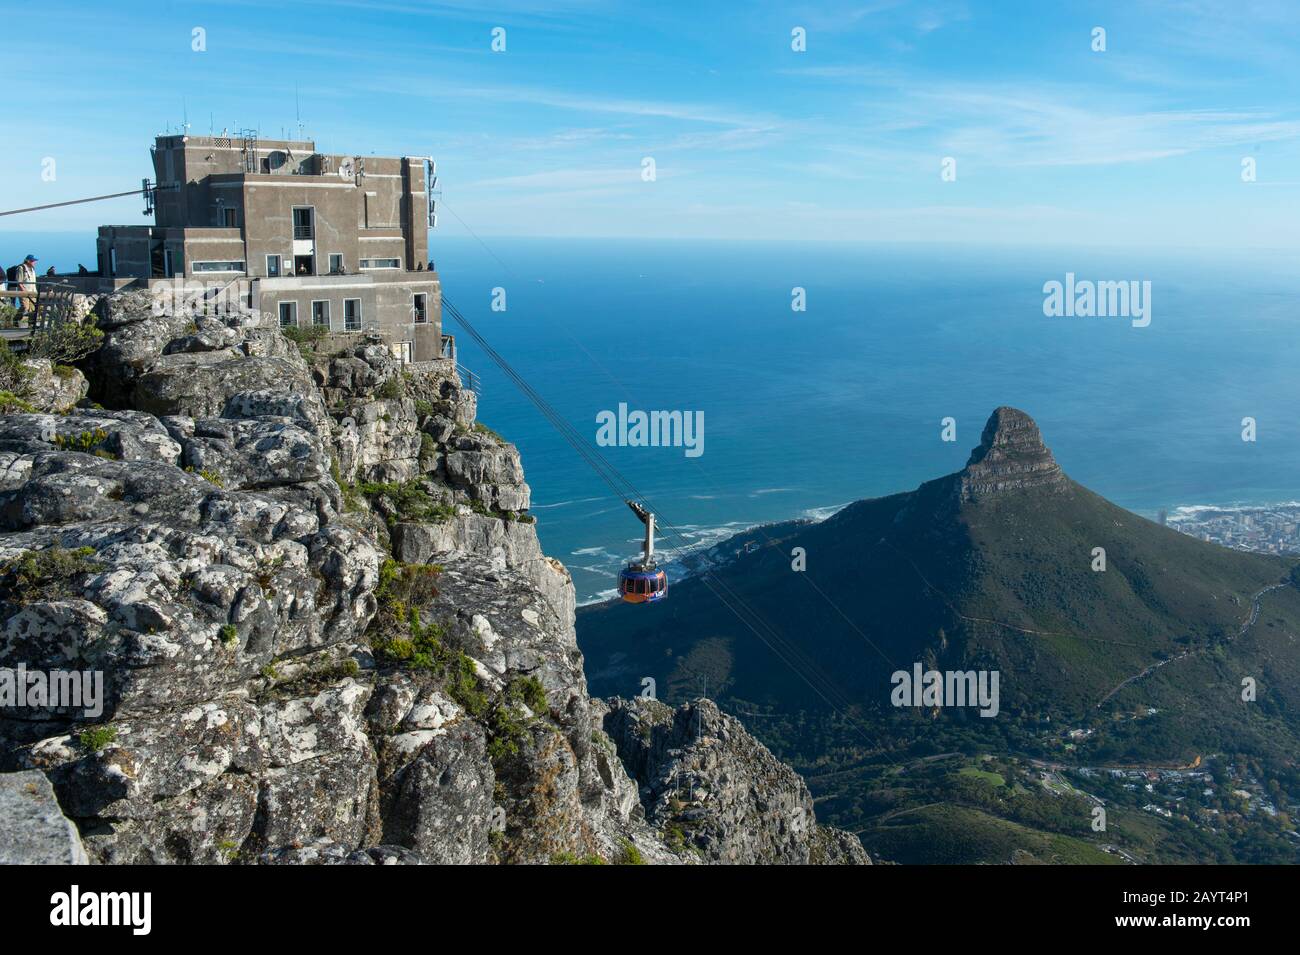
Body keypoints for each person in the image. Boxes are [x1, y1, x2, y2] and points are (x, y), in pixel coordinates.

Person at [12, 254, 37, 325]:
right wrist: (23, 291)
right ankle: (15, 320)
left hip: (33, 292)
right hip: (24, 291)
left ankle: (31, 324)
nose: (34, 262)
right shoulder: (21, 268)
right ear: (28, 261)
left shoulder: (32, 269)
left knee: (33, 308)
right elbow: (19, 282)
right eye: (33, 261)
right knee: (25, 307)